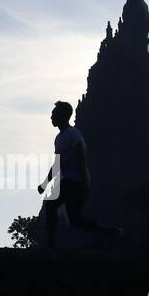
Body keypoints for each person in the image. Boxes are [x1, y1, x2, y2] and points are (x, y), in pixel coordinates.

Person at [37, 101, 119, 249]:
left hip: (76, 182)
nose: (51, 117)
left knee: (52, 205)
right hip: (69, 181)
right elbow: (57, 164)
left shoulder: (72, 134)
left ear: (62, 116)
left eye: (54, 114)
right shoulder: (59, 138)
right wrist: (45, 184)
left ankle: (50, 241)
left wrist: (83, 183)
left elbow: (81, 156)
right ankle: (110, 232)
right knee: (75, 220)